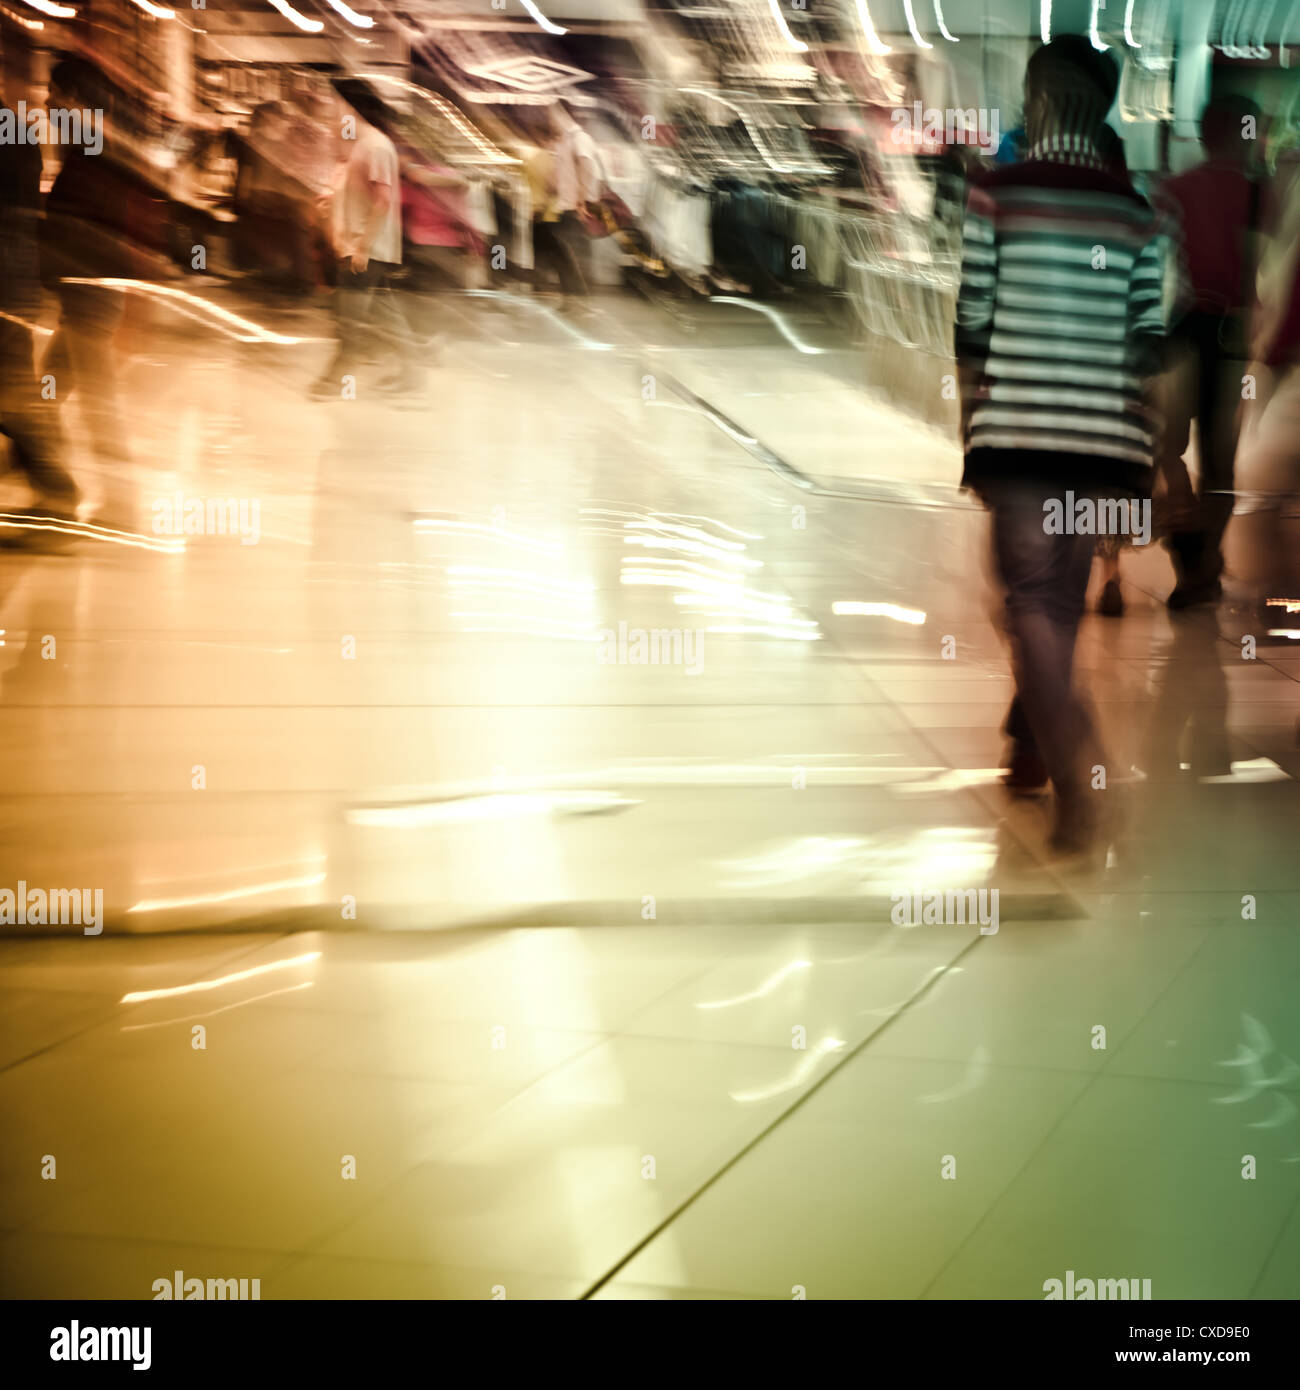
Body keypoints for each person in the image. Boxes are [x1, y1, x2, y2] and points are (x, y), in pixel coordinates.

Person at [956, 36, 1171, 852]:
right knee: (1055, 606)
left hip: (1019, 438)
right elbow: (1147, 340)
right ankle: (1036, 745)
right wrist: (1146, 451)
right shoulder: (1138, 208)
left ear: (1039, 99)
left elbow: (972, 324)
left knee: (1026, 604)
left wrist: (969, 431)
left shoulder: (997, 195)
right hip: (1100, 447)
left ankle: (1080, 774)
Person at [1155, 95, 1269, 608]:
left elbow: (1156, 264)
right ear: (1242, 134)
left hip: (1183, 330)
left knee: (1167, 446)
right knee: (1221, 461)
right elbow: (1264, 265)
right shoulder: (1259, 194)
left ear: (1203, 135)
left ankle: (1190, 556)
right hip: (1232, 337)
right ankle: (1204, 564)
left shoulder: (1174, 190)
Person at [0, 57, 79, 523]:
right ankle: (52, 483)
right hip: (15, 280)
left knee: (12, 393)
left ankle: (57, 491)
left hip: (6, 285)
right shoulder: (18, 132)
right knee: (13, 391)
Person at [309, 78, 407, 400]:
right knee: (385, 318)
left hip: (364, 250)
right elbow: (362, 192)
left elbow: (382, 200)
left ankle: (334, 382)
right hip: (357, 247)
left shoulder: (376, 145)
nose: (332, 111)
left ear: (350, 106)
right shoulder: (361, 143)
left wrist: (362, 246)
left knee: (348, 321)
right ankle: (415, 370)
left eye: (336, 103)